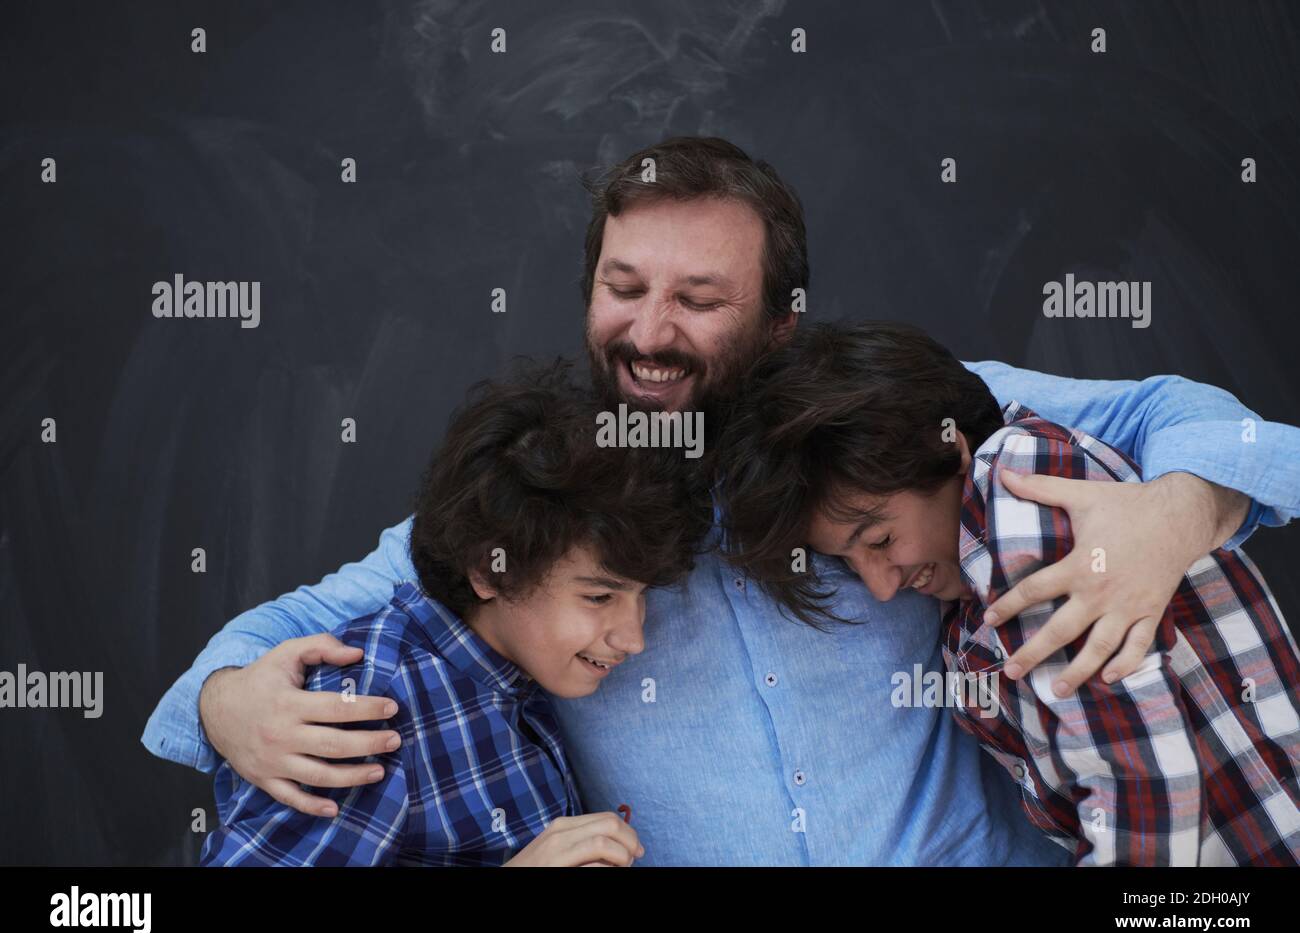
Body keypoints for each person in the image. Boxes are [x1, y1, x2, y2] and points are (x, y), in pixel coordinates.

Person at [146, 137, 1299, 865]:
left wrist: (1172, 518)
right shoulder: (532, 507)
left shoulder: (898, 417)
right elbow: (283, 632)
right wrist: (225, 702)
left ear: (781, 321)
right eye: (623, 287)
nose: (648, 332)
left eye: (698, 298)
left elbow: (1236, 433)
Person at [713, 321, 1300, 865]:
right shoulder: (975, 557)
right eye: (847, 561)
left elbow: (1144, 792)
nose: (881, 586)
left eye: (880, 540)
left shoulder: (1018, 490)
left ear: (949, 451)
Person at [201, 363, 710, 865]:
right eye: (599, 598)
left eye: (642, 595)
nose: (634, 639)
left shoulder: (520, 675)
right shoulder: (367, 704)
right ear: (489, 572)